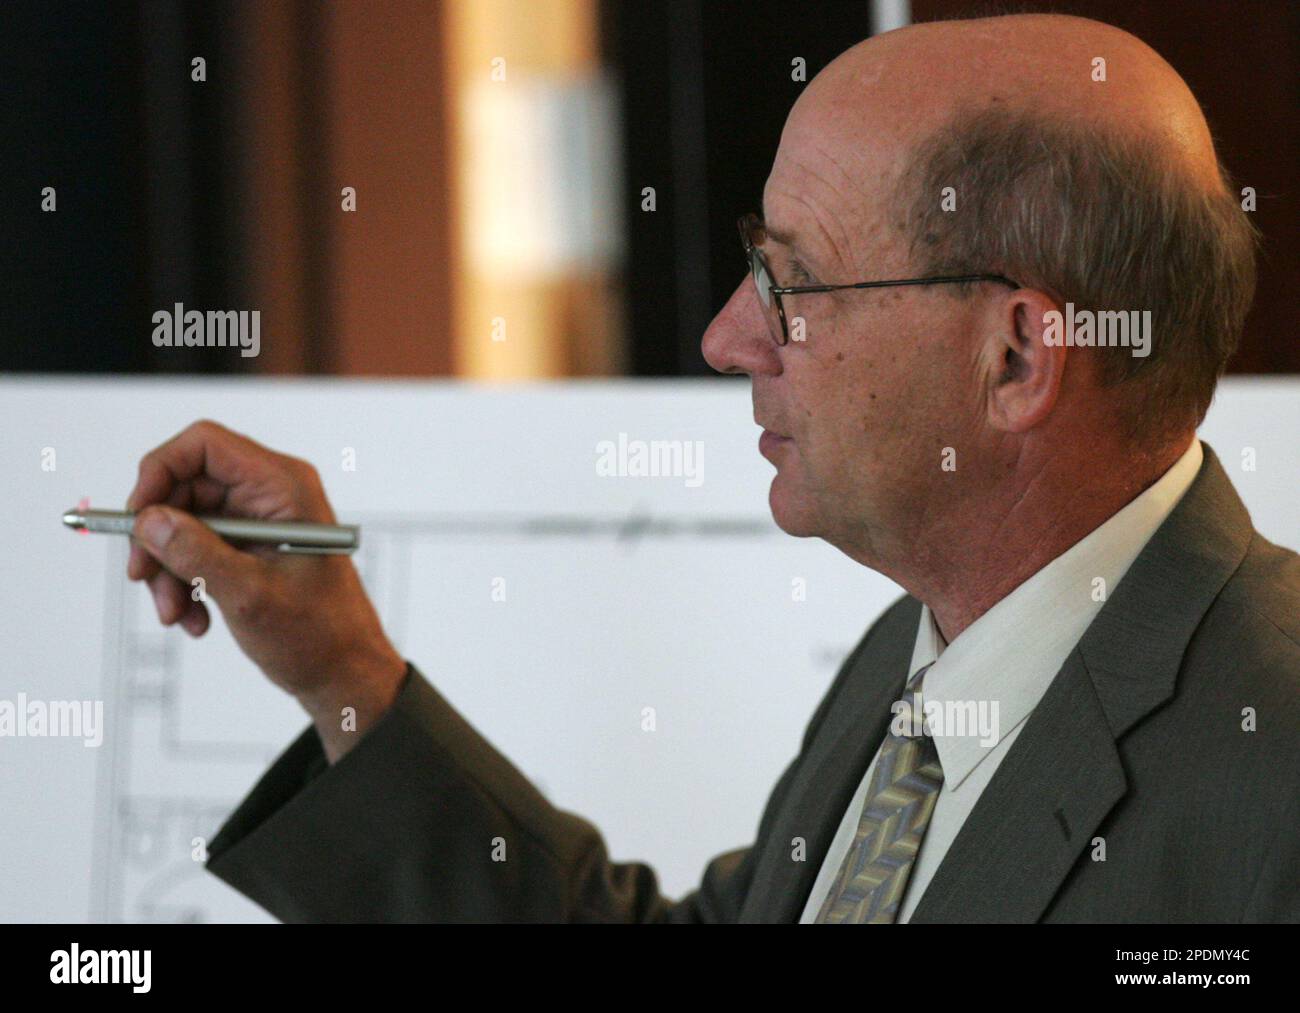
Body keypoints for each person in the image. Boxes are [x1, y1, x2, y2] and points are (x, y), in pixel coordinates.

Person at [125, 14, 1297, 922]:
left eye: (790, 281)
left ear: (1016, 357)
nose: (728, 337)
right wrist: (342, 670)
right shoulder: (926, 657)